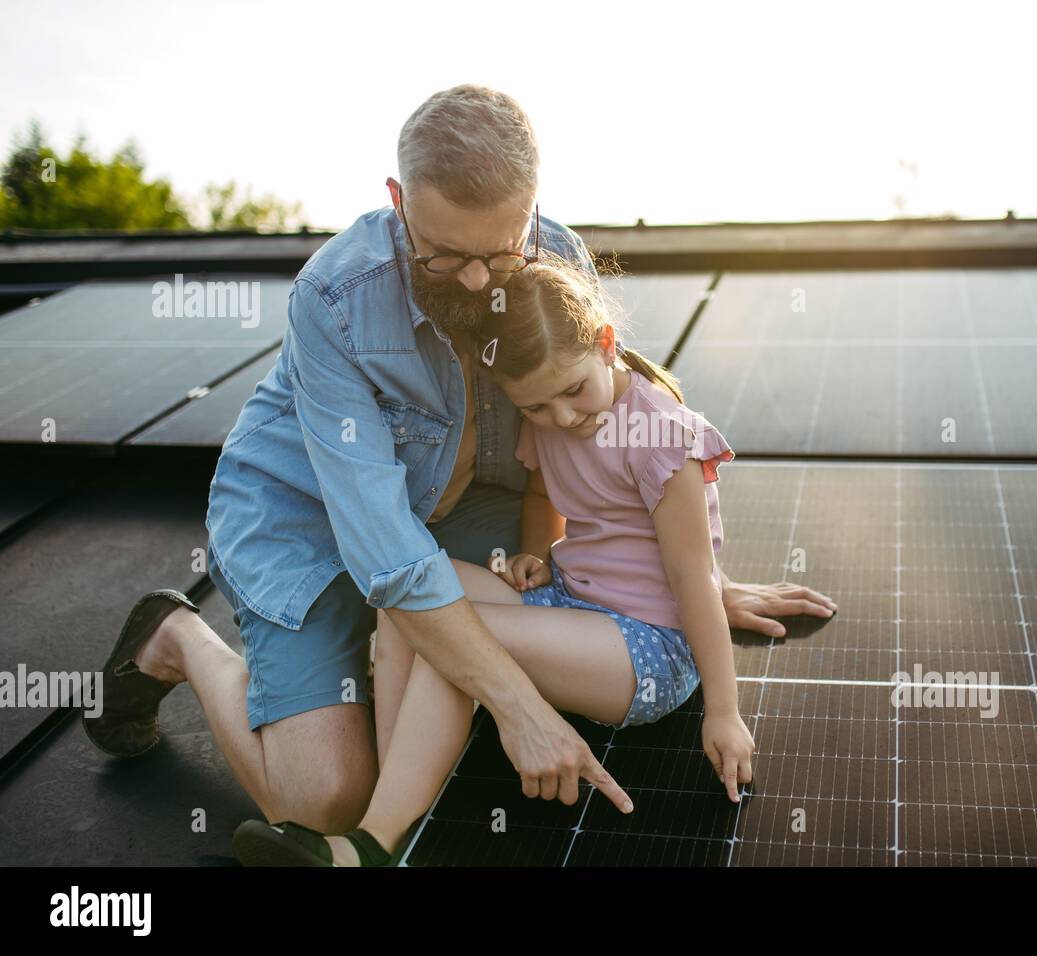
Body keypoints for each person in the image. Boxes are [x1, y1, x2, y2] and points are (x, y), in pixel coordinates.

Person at [83, 84, 838, 849]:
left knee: (424, 703)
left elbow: (608, 440)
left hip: (461, 506)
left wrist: (690, 582)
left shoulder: (557, 256)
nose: (478, 280)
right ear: (397, 200)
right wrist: (518, 707)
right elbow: (389, 552)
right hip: (304, 513)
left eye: (500, 252)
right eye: (444, 255)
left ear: (533, 209)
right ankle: (178, 637)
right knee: (325, 801)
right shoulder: (333, 297)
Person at [231, 252, 768, 865]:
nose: (563, 418)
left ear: (606, 342)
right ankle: (396, 796)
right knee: (414, 595)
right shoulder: (545, 415)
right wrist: (537, 553)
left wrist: (724, 712)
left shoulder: (662, 437)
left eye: (573, 391)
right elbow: (543, 490)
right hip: (570, 601)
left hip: (649, 647)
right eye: (537, 407)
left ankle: (371, 847)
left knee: (456, 632)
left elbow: (691, 574)